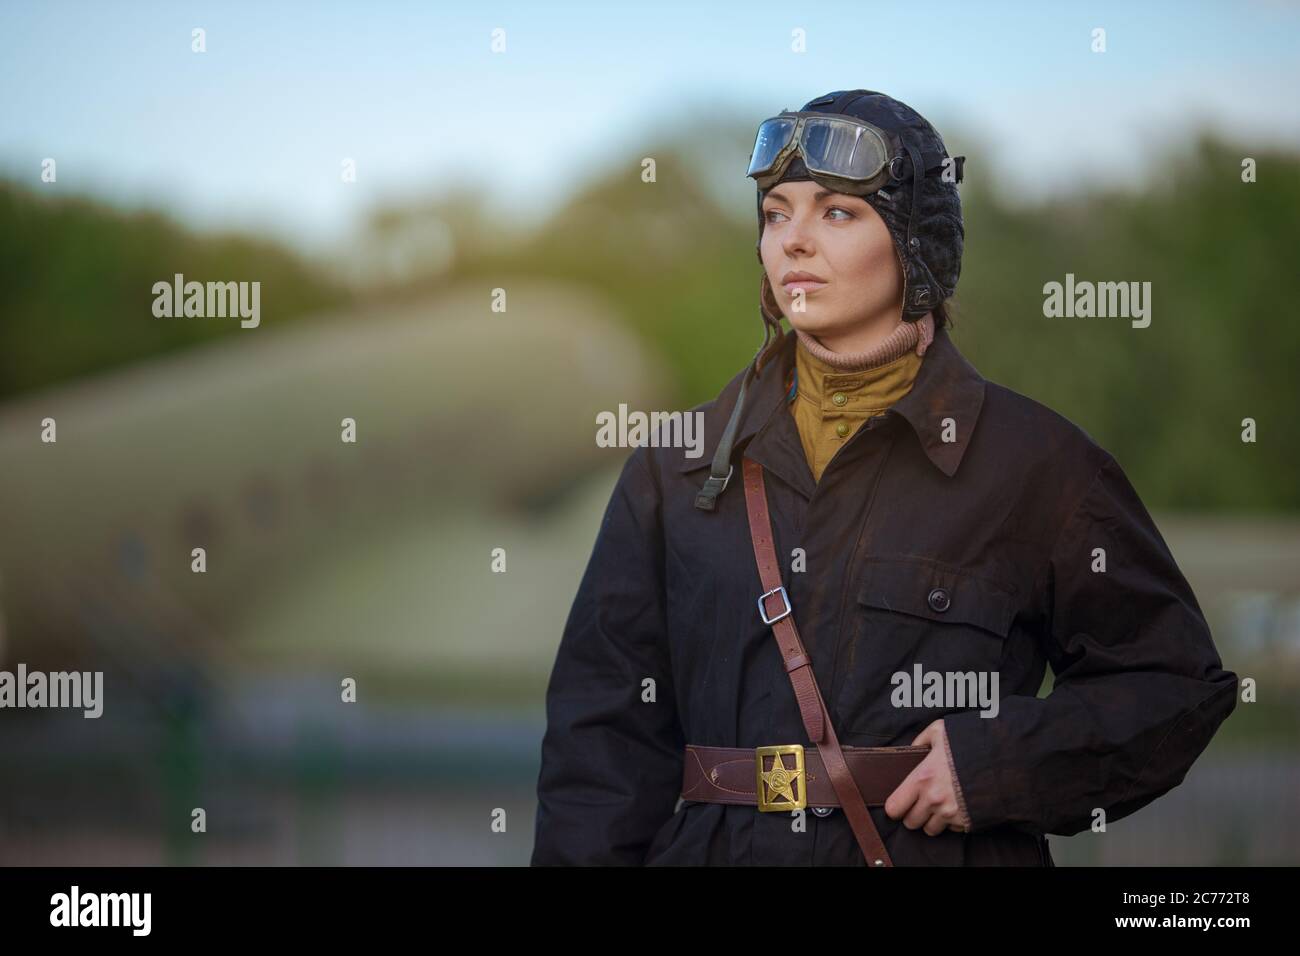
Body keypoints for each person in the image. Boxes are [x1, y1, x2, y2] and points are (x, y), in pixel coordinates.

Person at [530, 89, 1238, 866]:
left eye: (837, 212)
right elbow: (599, 745)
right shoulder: (676, 465)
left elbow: (1174, 684)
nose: (793, 240)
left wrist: (999, 765)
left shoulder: (1038, 465)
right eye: (775, 213)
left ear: (916, 244)